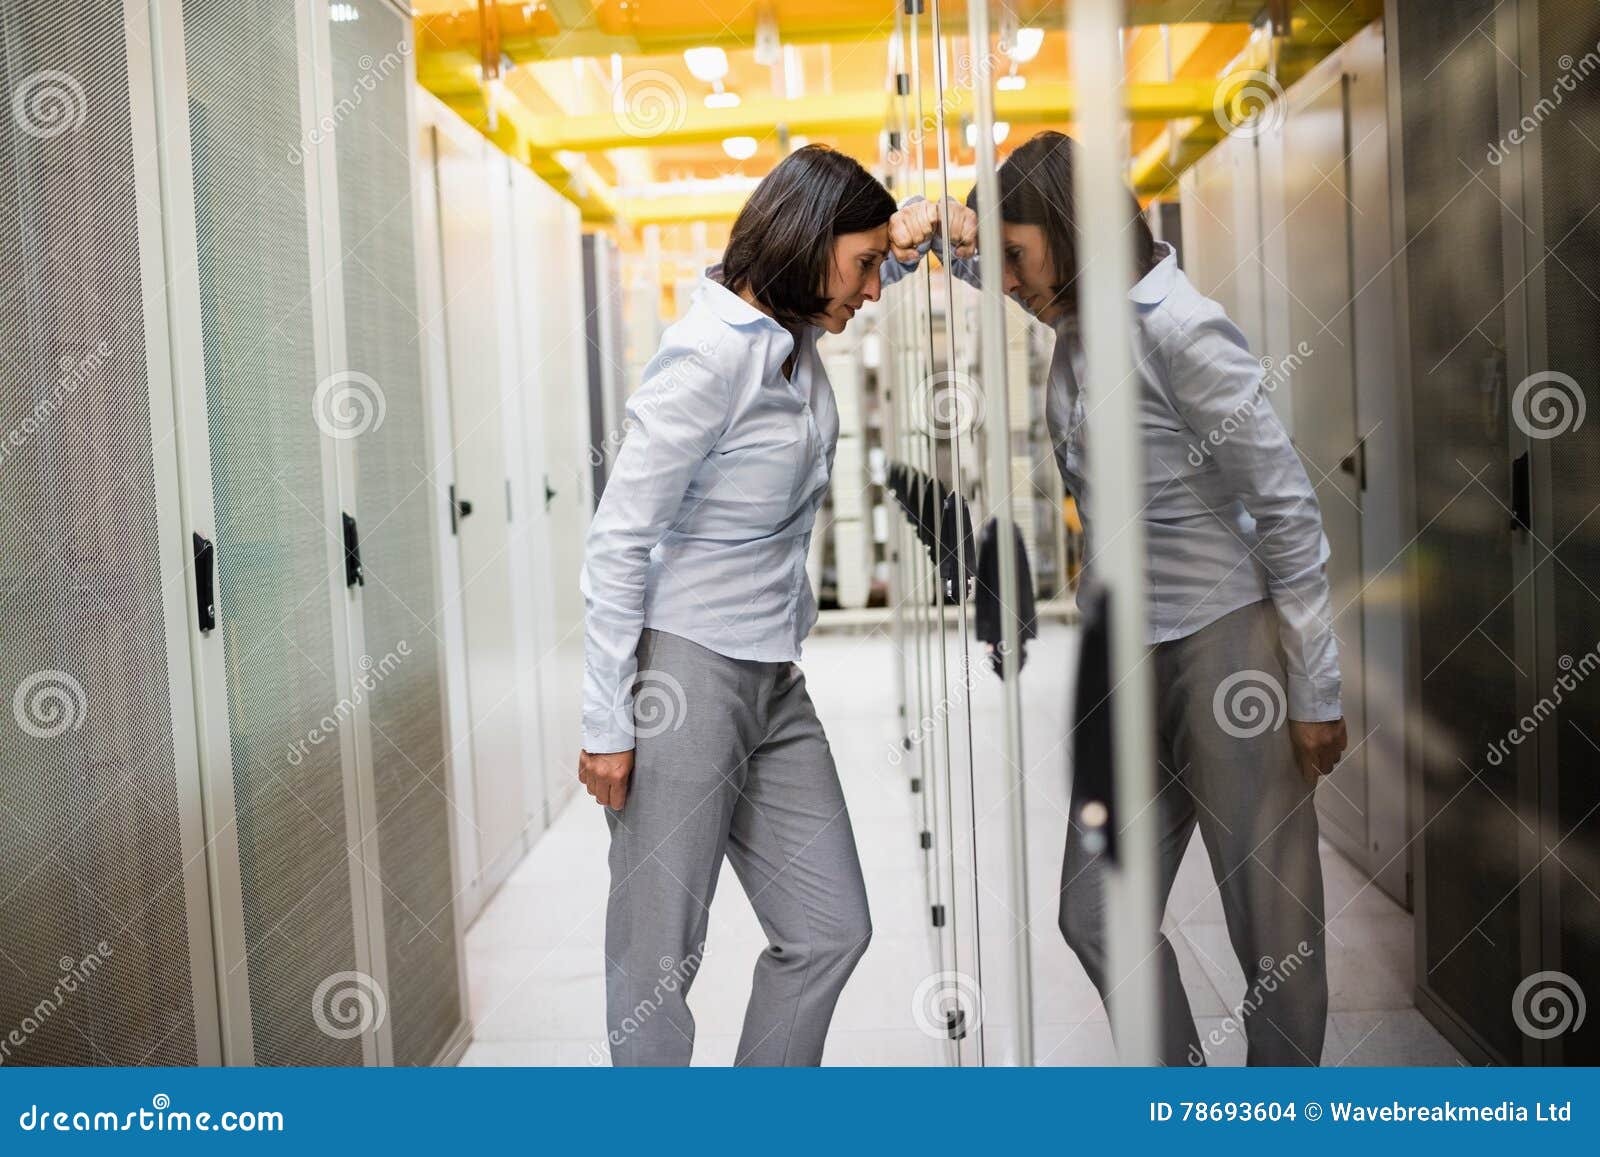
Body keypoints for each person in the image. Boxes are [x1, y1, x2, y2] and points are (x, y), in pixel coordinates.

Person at [885, 130, 1348, 1066]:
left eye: (1017, 256)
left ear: (1069, 234)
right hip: (1129, 656)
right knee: (1093, 910)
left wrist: (1316, 690)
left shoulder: (1179, 329)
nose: (1003, 280)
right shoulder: (1073, 308)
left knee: (1274, 934)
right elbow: (966, 260)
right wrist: (928, 227)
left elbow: (1288, 509)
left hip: (1226, 646)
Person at [578, 145, 895, 1067]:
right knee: (656, 960)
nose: (874, 288)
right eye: (864, 265)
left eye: (880, 264)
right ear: (810, 242)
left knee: (830, 928)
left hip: (772, 677)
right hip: (686, 674)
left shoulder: (793, 335)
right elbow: (618, 539)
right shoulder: (709, 355)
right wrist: (607, 722)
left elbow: (891, 248)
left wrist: (917, 226)